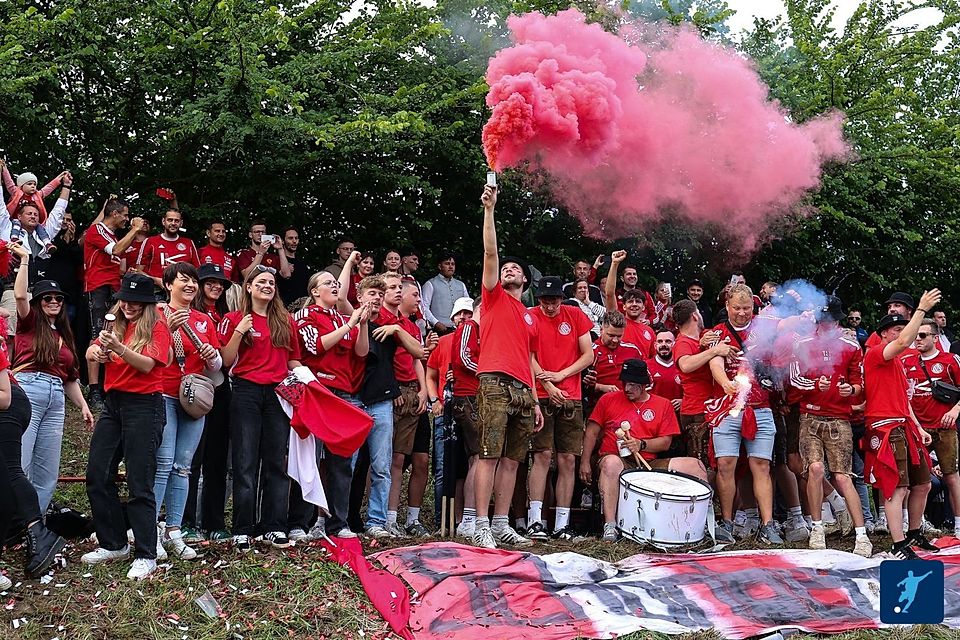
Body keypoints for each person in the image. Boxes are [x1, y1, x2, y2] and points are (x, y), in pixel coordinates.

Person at [82, 272, 173, 580]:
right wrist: (97, 351)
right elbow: (91, 351)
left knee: (139, 480)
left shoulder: (157, 325)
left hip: (144, 405)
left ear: (147, 304)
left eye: (137, 301)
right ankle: (114, 542)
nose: (129, 305)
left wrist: (119, 349)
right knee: (97, 472)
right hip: (114, 402)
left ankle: (147, 553)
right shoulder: (114, 322)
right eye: (125, 299)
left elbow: (148, 365)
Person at [472, 183, 542, 549]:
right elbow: (490, 251)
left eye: (516, 268)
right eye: (506, 267)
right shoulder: (494, 296)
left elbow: (530, 360)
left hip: (522, 390)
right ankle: (479, 524)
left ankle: (501, 524)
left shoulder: (529, 316)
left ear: (526, 280)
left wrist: (535, 398)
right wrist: (490, 210)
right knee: (489, 454)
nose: (509, 269)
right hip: (495, 382)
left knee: (514, 460)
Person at [219, 266, 302, 551]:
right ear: (249, 287)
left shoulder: (285, 321)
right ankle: (242, 528)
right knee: (245, 461)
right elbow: (226, 360)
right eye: (261, 282)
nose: (267, 285)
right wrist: (240, 332)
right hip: (245, 391)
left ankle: (274, 526)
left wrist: (309, 380)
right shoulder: (234, 319)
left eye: (271, 282)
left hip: (278, 393)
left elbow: (293, 360)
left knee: (277, 461)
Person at [580, 359, 707, 542]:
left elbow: (665, 442)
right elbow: (592, 432)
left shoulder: (662, 404)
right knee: (611, 463)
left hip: (649, 463)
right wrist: (585, 462)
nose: (627, 388)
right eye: (625, 383)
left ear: (644, 385)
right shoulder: (608, 400)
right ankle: (610, 525)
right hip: (616, 458)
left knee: (696, 466)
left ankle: (699, 526)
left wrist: (641, 444)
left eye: (632, 384)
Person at [10, 243, 93, 514]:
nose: (54, 302)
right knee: (21, 463)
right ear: (39, 303)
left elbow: (69, 377)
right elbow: (20, 297)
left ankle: (36, 527)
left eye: (58, 298)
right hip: (29, 389)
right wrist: (25, 260)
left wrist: (82, 405)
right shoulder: (30, 323)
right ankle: (14, 525)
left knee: (48, 470)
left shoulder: (65, 336)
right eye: (48, 298)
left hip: (56, 396)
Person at [862, 288, 941, 560]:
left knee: (923, 484)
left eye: (901, 328)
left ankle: (914, 532)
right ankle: (898, 544)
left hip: (903, 425)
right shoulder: (875, 353)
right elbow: (905, 341)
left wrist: (918, 428)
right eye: (894, 330)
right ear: (883, 334)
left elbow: (903, 401)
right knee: (898, 487)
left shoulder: (895, 363)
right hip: (885, 427)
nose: (900, 334)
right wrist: (920, 310)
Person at [790, 295, 871, 556]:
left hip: (839, 417)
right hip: (810, 415)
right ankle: (817, 528)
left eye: (829, 321)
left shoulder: (850, 345)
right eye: (822, 321)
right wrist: (815, 386)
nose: (825, 326)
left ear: (837, 320)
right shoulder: (802, 344)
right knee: (814, 469)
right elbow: (793, 379)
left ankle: (861, 535)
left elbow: (859, 381)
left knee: (842, 476)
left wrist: (851, 389)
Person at [293, 269, 371, 540]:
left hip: (342, 393)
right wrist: (349, 325)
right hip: (316, 391)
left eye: (337, 283)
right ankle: (301, 523)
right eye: (328, 283)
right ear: (314, 291)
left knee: (342, 461)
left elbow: (361, 353)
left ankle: (338, 523)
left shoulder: (342, 318)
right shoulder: (306, 315)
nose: (335, 286)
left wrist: (361, 324)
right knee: (310, 459)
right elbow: (315, 346)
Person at [153, 263, 222, 560]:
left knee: (183, 466)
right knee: (163, 463)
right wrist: (168, 330)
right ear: (169, 285)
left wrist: (211, 356)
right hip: (165, 393)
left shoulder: (204, 319)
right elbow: (150, 351)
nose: (191, 285)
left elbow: (217, 367)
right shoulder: (155, 313)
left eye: (193, 280)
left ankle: (175, 531)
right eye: (183, 280)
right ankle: (150, 531)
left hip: (195, 397)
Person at [709, 284, 783, 545]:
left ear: (754, 307)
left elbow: (776, 365)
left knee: (761, 465)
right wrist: (724, 383)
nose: (742, 313)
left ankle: (767, 524)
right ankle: (726, 521)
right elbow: (715, 362)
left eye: (747, 308)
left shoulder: (763, 332)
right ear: (727, 307)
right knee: (725, 465)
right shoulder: (717, 333)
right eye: (737, 308)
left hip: (760, 408)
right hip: (728, 409)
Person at [0, 310, 67, 580]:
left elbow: (4, 397)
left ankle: (38, 532)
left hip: (10, 404)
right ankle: (29, 531)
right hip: (14, 402)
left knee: (10, 472)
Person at [527, 276, 593, 540]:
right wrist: (548, 382)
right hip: (541, 394)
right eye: (545, 300)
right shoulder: (530, 316)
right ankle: (535, 520)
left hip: (571, 395)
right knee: (541, 456)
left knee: (567, 458)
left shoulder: (575, 315)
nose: (550, 305)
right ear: (539, 299)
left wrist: (560, 375)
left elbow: (588, 354)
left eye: (554, 300)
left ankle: (562, 523)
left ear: (561, 299)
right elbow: (526, 354)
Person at [182, 263, 234, 543]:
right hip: (193, 387)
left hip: (221, 387)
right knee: (192, 457)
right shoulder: (189, 314)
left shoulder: (225, 315)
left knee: (217, 458)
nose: (217, 286)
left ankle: (214, 521)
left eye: (221, 283)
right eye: (210, 282)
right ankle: (186, 520)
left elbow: (226, 357)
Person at [82, 199, 146, 411]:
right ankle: (94, 390)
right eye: (125, 215)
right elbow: (116, 250)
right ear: (115, 213)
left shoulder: (111, 234)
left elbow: (117, 260)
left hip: (114, 287)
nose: (127, 220)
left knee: (115, 334)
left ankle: (109, 385)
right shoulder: (96, 230)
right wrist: (136, 228)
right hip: (98, 286)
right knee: (97, 334)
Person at [902, 318, 960, 534]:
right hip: (917, 428)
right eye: (916, 335)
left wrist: (954, 411)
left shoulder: (951, 360)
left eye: (923, 335)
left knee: (951, 475)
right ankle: (911, 523)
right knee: (911, 476)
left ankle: (958, 524)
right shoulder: (907, 362)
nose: (917, 339)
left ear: (935, 338)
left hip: (945, 426)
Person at [382, 276, 429, 537]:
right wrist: (391, 388)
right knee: (393, 459)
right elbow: (380, 361)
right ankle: (387, 516)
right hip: (394, 392)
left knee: (418, 458)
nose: (417, 300)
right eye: (416, 296)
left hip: (414, 393)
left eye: (403, 291)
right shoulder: (383, 321)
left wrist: (424, 390)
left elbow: (417, 359)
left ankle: (412, 518)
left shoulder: (412, 327)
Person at [673, 299, 735, 485]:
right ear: (695, 315)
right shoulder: (682, 342)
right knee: (702, 466)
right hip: (696, 412)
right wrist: (714, 350)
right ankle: (704, 508)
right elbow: (685, 365)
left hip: (707, 409)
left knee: (714, 463)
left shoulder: (700, 338)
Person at [0, 177, 72, 337]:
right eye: (29, 214)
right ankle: (9, 364)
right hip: (13, 291)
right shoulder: (8, 232)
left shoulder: (44, 236)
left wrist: (66, 186)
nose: (33, 216)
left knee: (39, 336)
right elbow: (0, 210)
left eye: (36, 214)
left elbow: (58, 214)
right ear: (19, 216)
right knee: (11, 336)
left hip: (39, 296)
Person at [450, 299, 481, 539]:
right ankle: (468, 519)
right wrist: (490, 370)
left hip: (481, 396)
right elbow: (462, 357)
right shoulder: (469, 326)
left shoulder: (487, 329)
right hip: (468, 396)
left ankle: (473, 516)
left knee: (481, 457)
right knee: (478, 457)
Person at [1, 160, 68, 252]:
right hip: (15, 219)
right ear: (21, 185)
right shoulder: (16, 192)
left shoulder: (37, 195)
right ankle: (14, 238)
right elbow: (9, 182)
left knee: (40, 228)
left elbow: (49, 187)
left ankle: (47, 243)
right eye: (29, 184)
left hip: (31, 224)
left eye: (34, 184)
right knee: (16, 225)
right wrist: (4, 168)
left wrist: (59, 179)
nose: (33, 186)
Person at [135, 209, 200, 288]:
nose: (173, 223)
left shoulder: (189, 243)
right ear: (163, 221)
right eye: (170, 220)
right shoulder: (150, 241)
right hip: (156, 290)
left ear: (181, 223)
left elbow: (197, 270)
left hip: (182, 289)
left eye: (176, 221)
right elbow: (138, 270)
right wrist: (156, 280)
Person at [590, 310, 644, 398]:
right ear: (601, 330)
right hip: (599, 402)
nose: (615, 340)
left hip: (630, 403)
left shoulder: (633, 350)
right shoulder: (590, 351)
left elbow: (647, 380)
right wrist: (601, 387)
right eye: (611, 335)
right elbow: (580, 384)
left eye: (619, 336)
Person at [421, 251, 470, 333]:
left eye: (453, 264)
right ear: (440, 266)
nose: (450, 266)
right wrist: (436, 323)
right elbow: (424, 307)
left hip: (460, 328)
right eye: (447, 263)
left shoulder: (461, 285)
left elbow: (468, 305)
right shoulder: (430, 284)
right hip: (439, 330)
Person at [646, 329, 682, 412]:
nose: (663, 345)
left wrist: (683, 401)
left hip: (680, 414)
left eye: (668, 341)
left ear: (675, 344)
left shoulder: (684, 364)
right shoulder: (646, 366)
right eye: (660, 341)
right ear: (655, 345)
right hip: (657, 413)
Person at [277, 227, 313, 308]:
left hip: (303, 307)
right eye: (290, 238)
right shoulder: (277, 261)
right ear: (282, 241)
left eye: (296, 238)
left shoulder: (302, 264)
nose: (294, 241)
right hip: (284, 308)